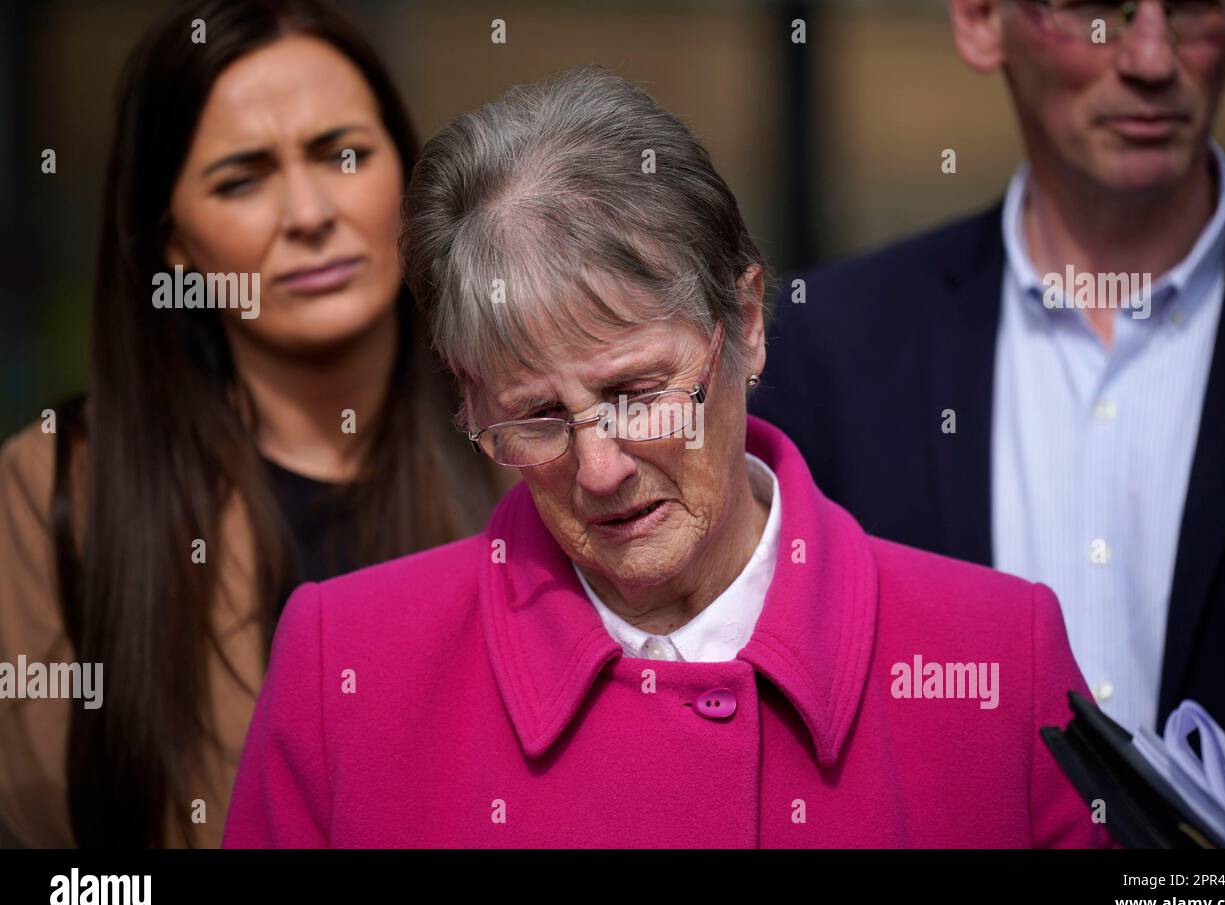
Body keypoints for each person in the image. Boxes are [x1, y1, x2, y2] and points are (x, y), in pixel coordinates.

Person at [223, 66, 1113, 848]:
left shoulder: (997, 659)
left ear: (748, 324)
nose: (600, 469)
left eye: (638, 394)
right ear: (468, 400)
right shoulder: (347, 671)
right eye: (535, 415)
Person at [0, 0, 507, 848]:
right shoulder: (58, 489)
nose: (308, 214)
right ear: (175, 246)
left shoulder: (532, 448)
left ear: (409, 174)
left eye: (343, 155)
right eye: (242, 178)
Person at [751, 0, 1225, 772]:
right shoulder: (832, 348)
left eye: (1190, 8)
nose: (1150, 59)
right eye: (1096, 12)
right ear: (979, 21)